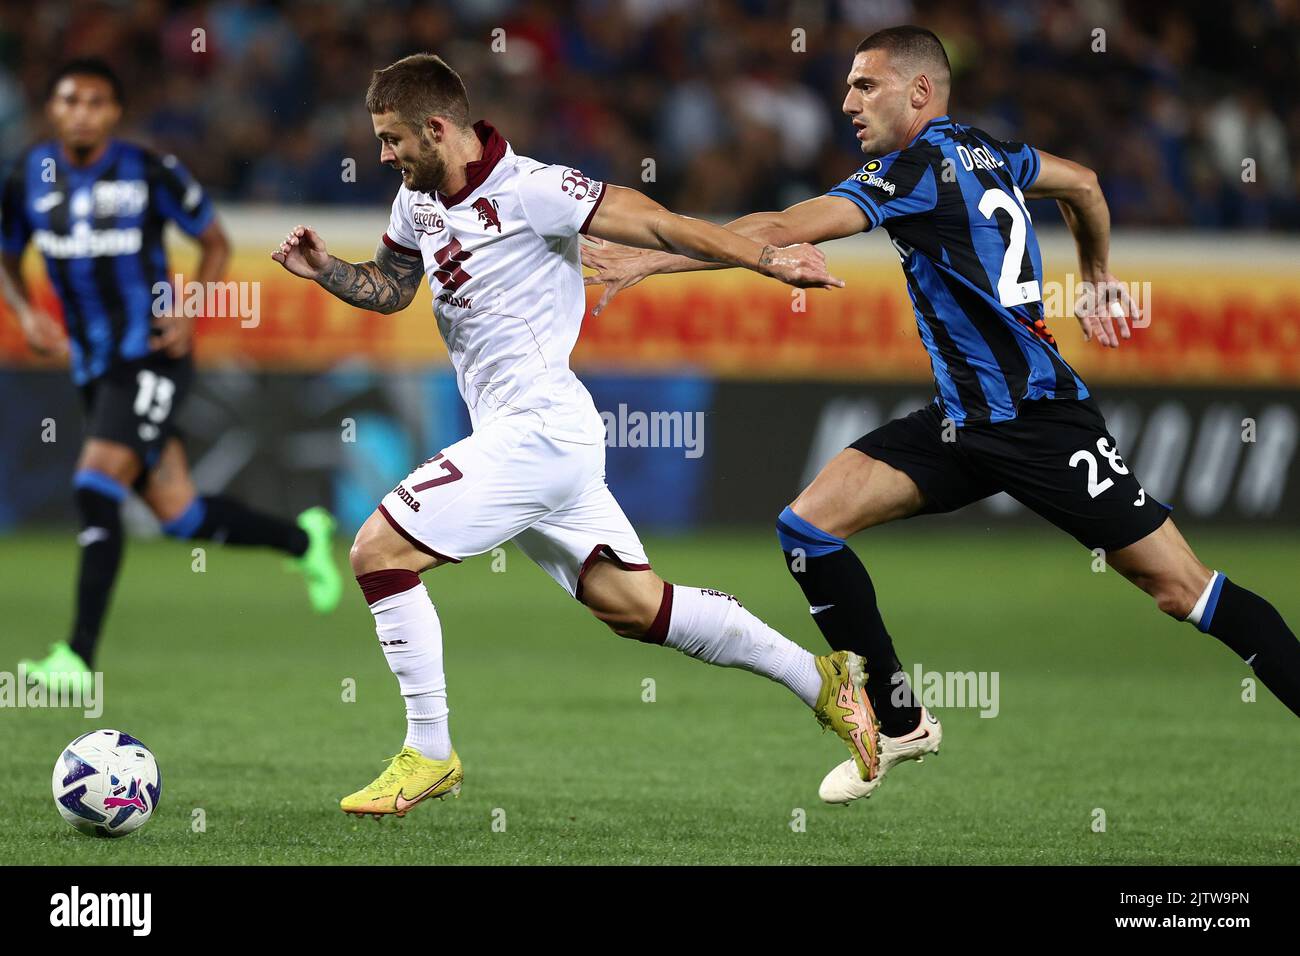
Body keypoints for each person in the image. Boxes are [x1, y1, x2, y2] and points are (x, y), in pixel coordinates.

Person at [582, 26, 1300, 805]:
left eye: (866, 85)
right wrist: (1097, 275)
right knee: (809, 528)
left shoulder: (915, 171)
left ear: (919, 91)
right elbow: (1086, 184)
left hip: (1039, 422)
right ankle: (900, 723)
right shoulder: (995, 152)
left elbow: (780, 228)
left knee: (1182, 589)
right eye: (848, 86)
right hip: (961, 423)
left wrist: (652, 257)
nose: (848, 102)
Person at [272, 52, 884, 818]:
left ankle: (429, 751)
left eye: (393, 139)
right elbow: (392, 289)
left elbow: (659, 222)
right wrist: (327, 269)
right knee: (638, 607)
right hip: (530, 438)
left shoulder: (534, 189)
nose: (384, 155)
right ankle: (821, 681)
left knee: (376, 552)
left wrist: (766, 259)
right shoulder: (416, 199)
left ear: (437, 129)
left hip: (540, 433)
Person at [1, 59, 342, 688]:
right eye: (70, 100)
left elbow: (215, 242)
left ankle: (77, 657)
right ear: (51, 109)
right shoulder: (29, 176)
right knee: (180, 515)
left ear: (114, 113)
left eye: (96, 102)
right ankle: (303, 540)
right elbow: (6, 253)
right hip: (95, 366)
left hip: (152, 353)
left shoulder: (148, 170)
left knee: (95, 484)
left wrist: (189, 312)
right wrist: (25, 313)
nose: (82, 112)